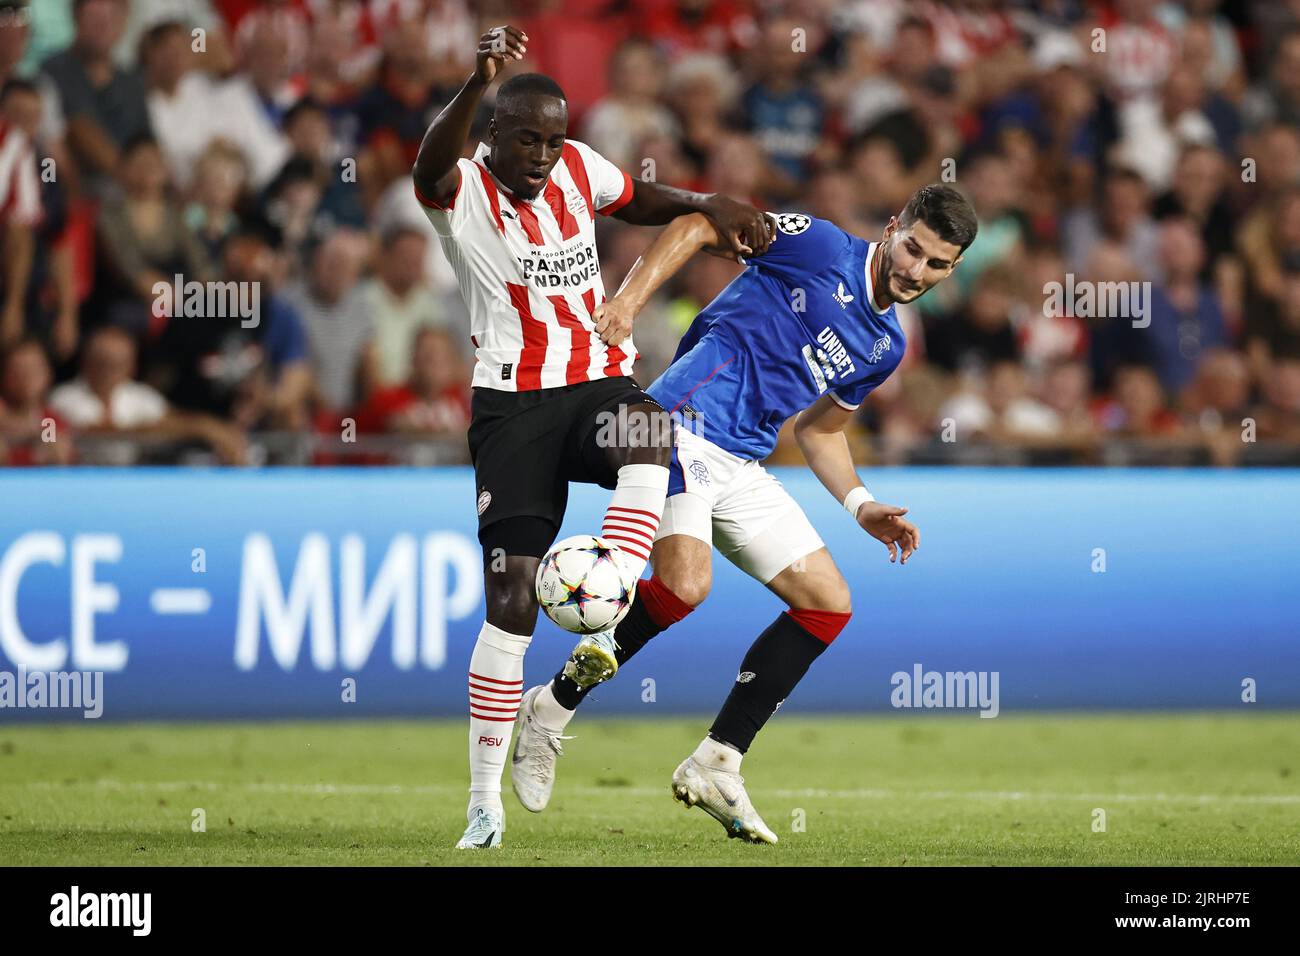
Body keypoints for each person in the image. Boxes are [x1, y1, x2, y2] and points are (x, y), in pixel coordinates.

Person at [512, 185, 976, 843]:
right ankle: (550, 711)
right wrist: (626, 302)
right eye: (912, 249)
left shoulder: (884, 346)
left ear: (952, 269)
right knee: (686, 586)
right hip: (683, 423)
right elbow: (701, 225)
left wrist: (861, 504)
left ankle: (719, 760)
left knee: (827, 602)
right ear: (894, 225)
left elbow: (820, 432)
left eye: (935, 264)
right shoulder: (820, 245)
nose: (915, 270)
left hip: (741, 461)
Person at [410, 24, 772, 850]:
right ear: (493, 136)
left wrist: (700, 203)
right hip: (513, 409)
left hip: (593, 382)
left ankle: (606, 600)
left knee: (647, 424)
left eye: (553, 138)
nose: (543, 155)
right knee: (511, 607)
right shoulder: (461, 188)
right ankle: (483, 803)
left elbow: (636, 202)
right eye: (526, 139)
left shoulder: (577, 168)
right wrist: (474, 83)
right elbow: (428, 165)